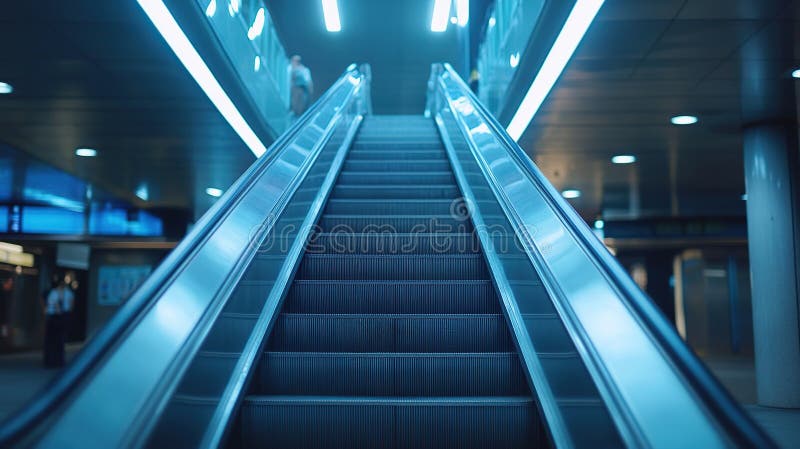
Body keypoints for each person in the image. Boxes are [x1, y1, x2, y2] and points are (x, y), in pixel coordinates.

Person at [43, 279, 73, 368]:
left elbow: (69, 305)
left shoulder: (65, 293)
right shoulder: (55, 293)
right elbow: (56, 305)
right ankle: (53, 360)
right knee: (55, 340)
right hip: (56, 316)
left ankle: (56, 360)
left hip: (59, 316)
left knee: (57, 340)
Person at [288, 55, 313, 121]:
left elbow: (308, 82)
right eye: (294, 61)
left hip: (300, 90)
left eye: (297, 61)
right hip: (294, 91)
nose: (295, 63)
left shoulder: (303, 70)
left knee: (299, 106)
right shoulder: (289, 69)